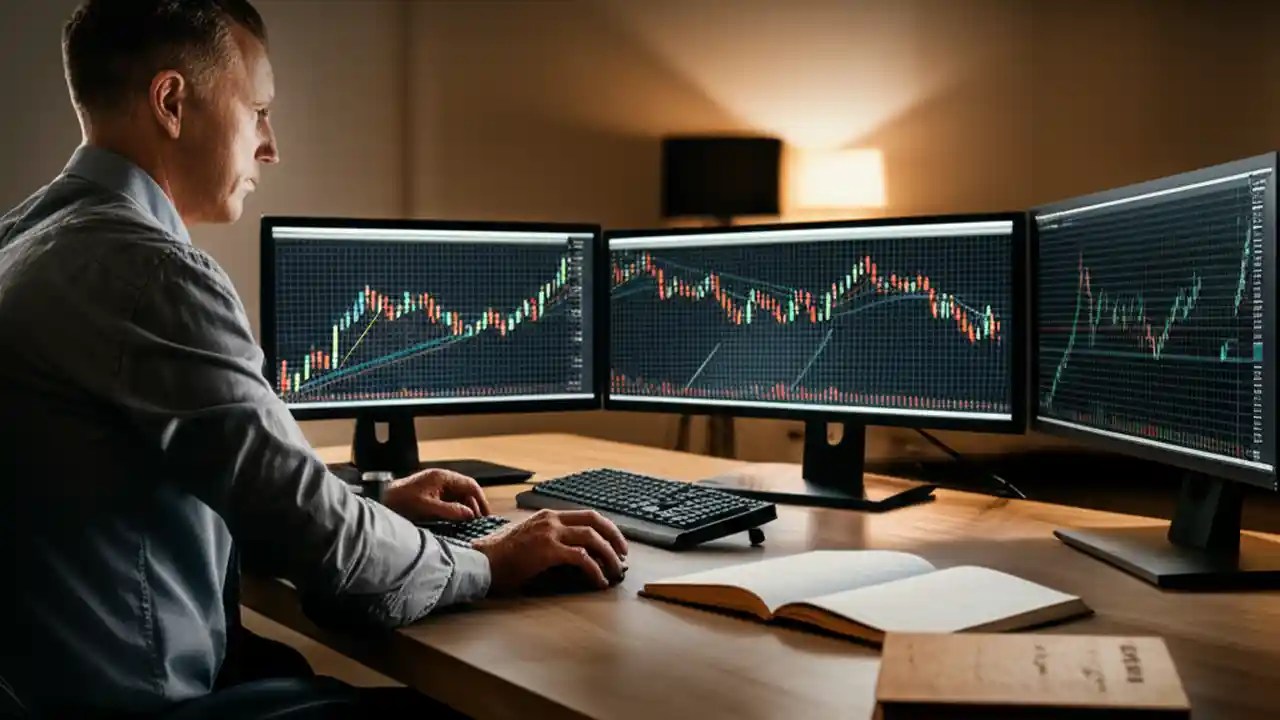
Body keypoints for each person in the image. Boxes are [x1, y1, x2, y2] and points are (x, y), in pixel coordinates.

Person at [0, 1, 627, 717]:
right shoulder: (150, 273)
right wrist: (487, 561)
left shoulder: (22, 241)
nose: (270, 146)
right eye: (258, 110)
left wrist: (371, 503)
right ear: (172, 102)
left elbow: (221, 493)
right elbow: (318, 540)